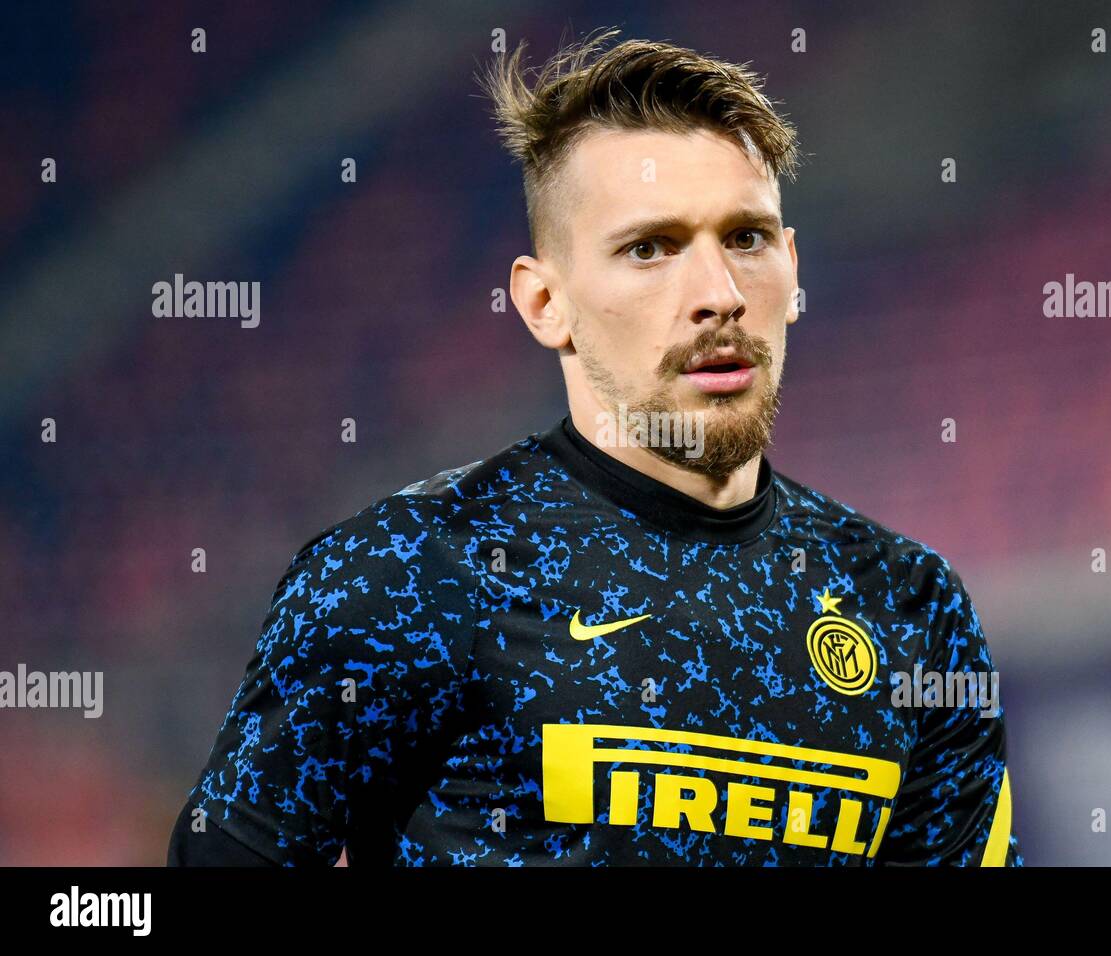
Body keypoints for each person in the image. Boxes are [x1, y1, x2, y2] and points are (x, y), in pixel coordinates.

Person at [169, 28, 1022, 867]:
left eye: (747, 238)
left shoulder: (915, 607)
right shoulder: (407, 574)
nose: (718, 295)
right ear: (546, 304)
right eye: (649, 249)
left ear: (794, 270)